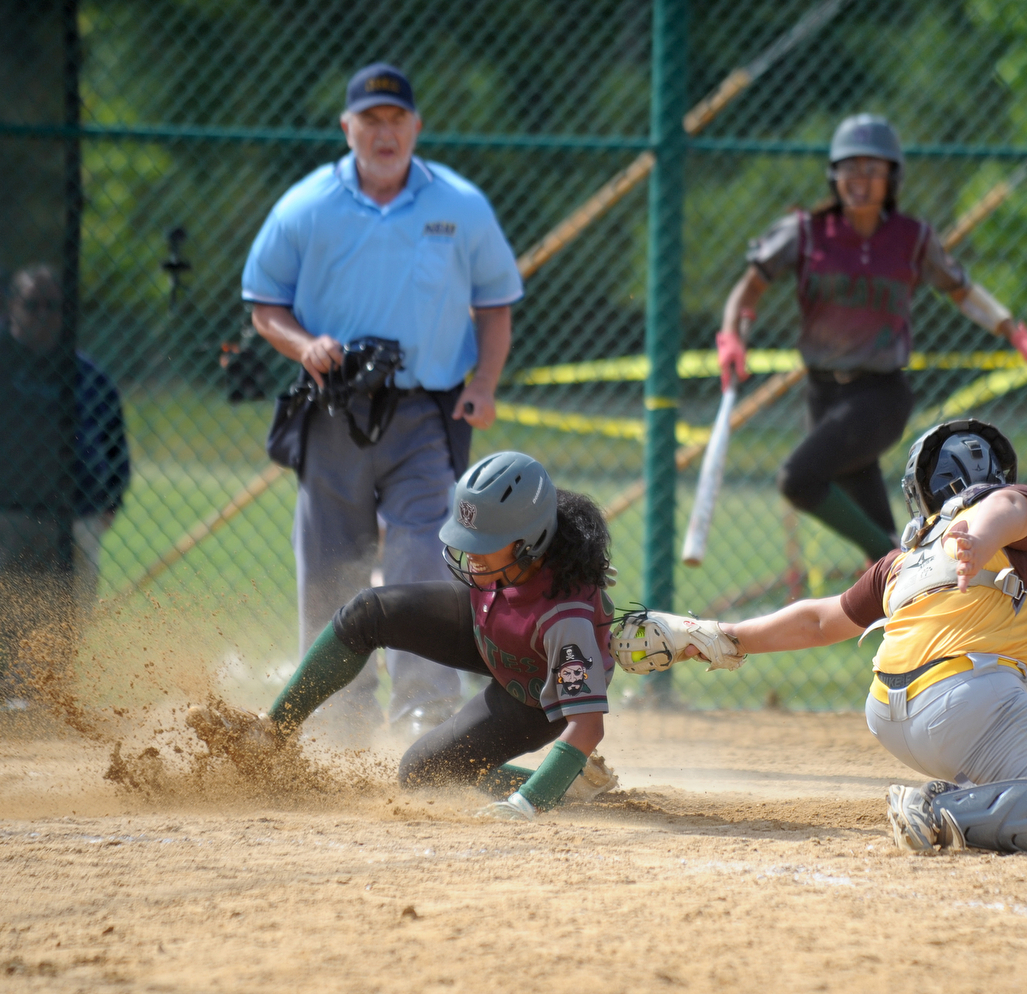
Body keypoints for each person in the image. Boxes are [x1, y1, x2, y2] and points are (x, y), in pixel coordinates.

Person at [614, 421, 1027, 858]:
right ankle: (946, 813)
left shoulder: (903, 560)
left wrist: (719, 635)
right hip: (967, 702)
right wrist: (982, 535)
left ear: (920, 492)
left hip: (891, 715)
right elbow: (1009, 508)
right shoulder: (1015, 513)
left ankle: (963, 804)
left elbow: (821, 620)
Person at [241, 63, 523, 741]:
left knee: (427, 557)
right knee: (330, 564)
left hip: (426, 412)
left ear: (417, 127)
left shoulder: (458, 204)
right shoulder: (307, 205)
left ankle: (425, 708)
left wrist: (483, 383)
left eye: (397, 120)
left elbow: (496, 305)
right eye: (370, 120)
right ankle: (340, 715)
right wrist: (304, 345)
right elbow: (262, 303)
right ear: (348, 128)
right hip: (332, 408)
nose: (384, 132)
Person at [187, 452, 620, 819]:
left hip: (531, 691)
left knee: (422, 774)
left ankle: (565, 785)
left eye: (483, 542)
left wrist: (526, 806)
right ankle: (270, 734)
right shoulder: (503, 569)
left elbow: (586, 725)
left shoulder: (566, 619)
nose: (468, 552)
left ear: (530, 541)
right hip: (492, 628)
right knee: (368, 613)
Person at [715, 114, 1027, 562]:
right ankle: (899, 571)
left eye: (872, 169)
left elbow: (963, 291)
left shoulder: (911, 238)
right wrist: (732, 335)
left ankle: (901, 564)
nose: (860, 179)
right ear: (833, 175)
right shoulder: (805, 232)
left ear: (891, 178)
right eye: (849, 167)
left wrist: (1017, 333)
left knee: (798, 479)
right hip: (821, 396)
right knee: (877, 544)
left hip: (878, 397)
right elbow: (748, 289)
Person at [0, 264, 130, 708]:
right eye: (32, 305)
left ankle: (45, 693)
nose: (42, 316)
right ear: (10, 308)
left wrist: (110, 500)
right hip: (10, 512)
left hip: (77, 512)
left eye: (53, 307)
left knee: (69, 608)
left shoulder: (87, 377)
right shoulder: (4, 366)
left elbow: (116, 445)